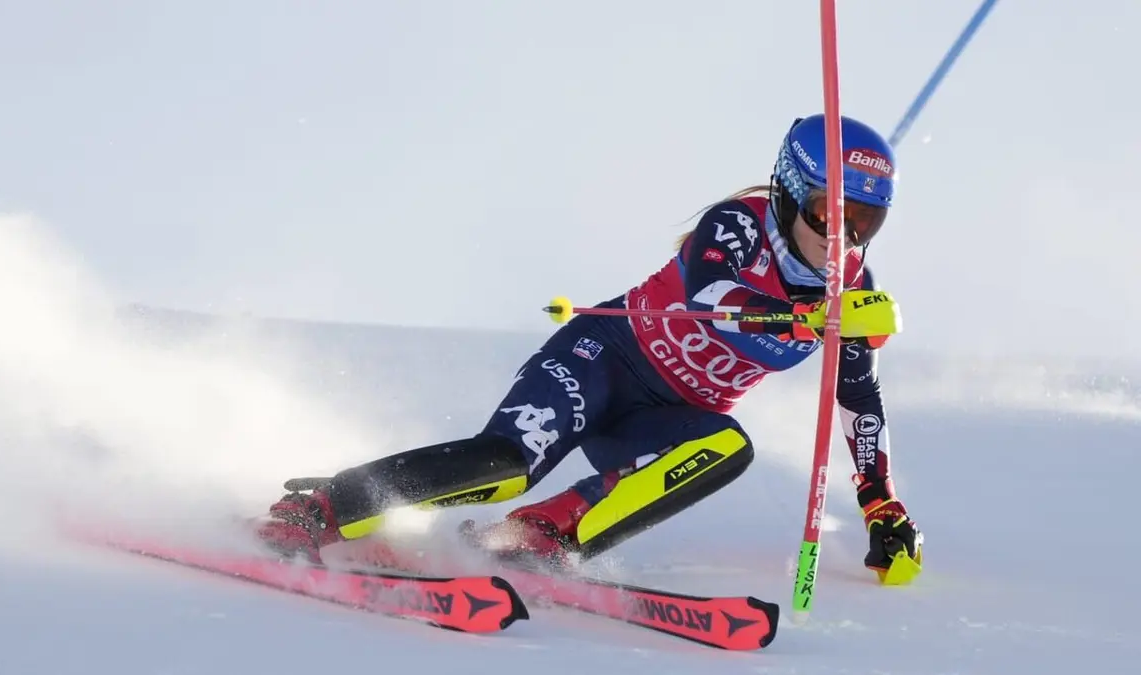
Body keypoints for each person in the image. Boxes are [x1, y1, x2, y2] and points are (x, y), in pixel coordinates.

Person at [255, 114, 922, 577]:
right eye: (829, 212)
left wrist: (881, 504)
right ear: (787, 190)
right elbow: (711, 299)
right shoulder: (738, 225)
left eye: (866, 220)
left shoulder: (850, 290)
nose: (843, 236)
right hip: (604, 360)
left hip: (660, 415)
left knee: (726, 445)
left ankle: (542, 531)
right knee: (506, 465)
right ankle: (322, 508)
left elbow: (859, 401)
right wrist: (805, 318)